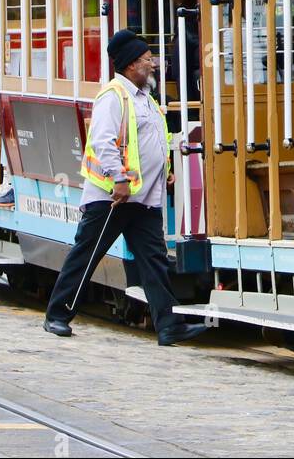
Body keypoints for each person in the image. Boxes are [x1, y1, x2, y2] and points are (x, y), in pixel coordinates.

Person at [42, 29, 209, 347]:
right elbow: (103, 141)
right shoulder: (113, 96)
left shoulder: (145, 97)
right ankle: (58, 315)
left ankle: (169, 325)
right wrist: (118, 178)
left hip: (143, 197)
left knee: (154, 261)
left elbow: (152, 141)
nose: (153, 64)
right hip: (113, 197)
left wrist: (166, 172)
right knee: (87, 254)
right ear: (132, 64)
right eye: (148, 59)